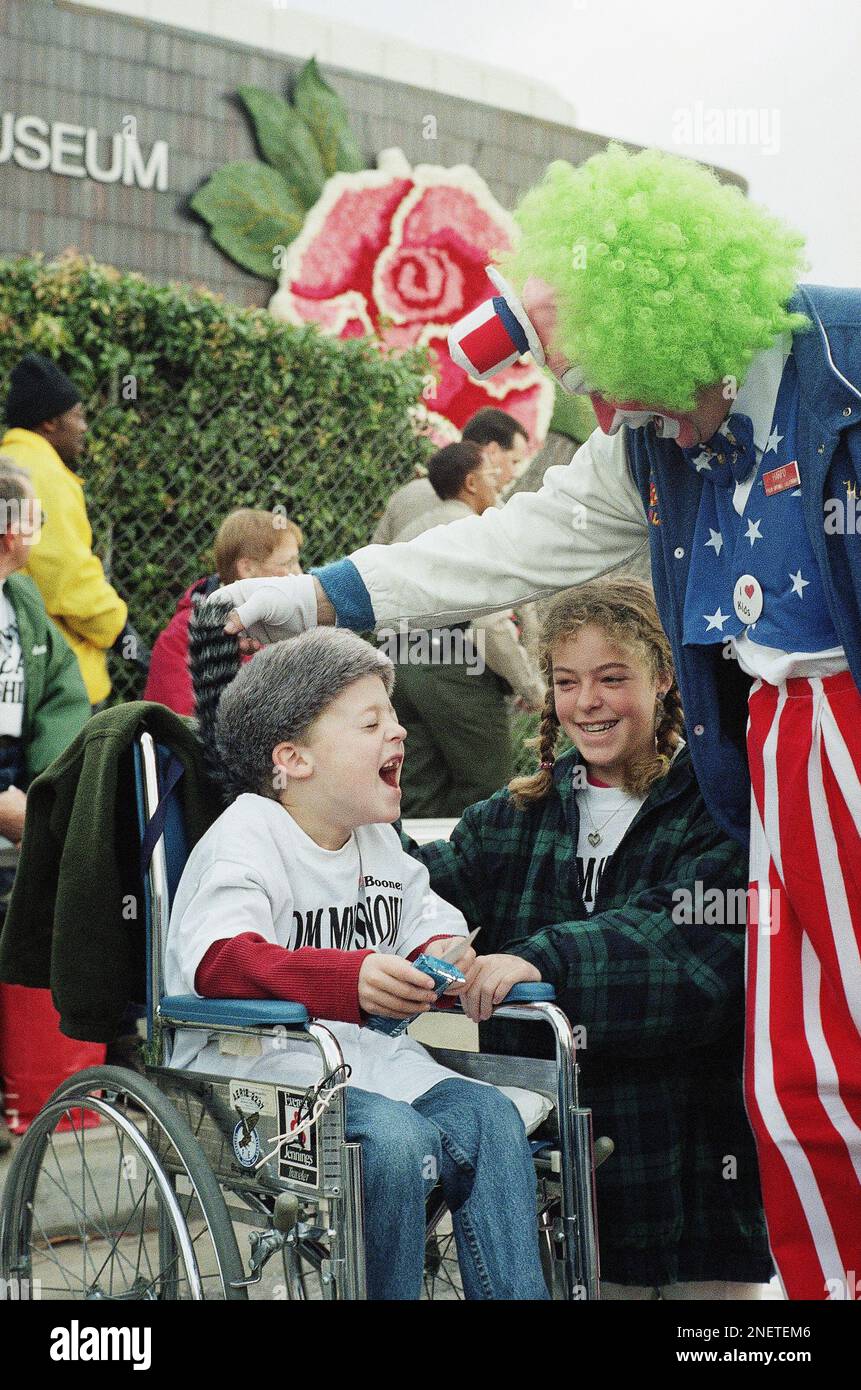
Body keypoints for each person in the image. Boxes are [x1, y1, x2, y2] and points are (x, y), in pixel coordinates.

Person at [211, 145, 861, 1299]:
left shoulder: (843, 359)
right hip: (778, 751)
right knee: (798, 1087)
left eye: (600, 370)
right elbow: (503, 547)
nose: (598, 407)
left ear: (667, 320)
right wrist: (321, 595)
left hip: (846, 736)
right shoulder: (649, 446)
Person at [164, 605, 549, 1300]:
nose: (398, 730)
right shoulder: (247, 838)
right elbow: (219, 961)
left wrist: (444, 958)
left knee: (489, 1118)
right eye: (370, 724)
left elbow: (429, 924)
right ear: (292, 759)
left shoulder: (375, 841)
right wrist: (351, 979)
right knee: (397, 1143)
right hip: (262, 1079)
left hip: (368, 1066)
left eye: (392, 718)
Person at [403, 579, 772, 1297]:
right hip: (564, 1176)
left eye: (611, 678)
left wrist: (535, 959)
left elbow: (685, 953)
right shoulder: (515, 816)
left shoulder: (721, 803)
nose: (587, 703)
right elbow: (414, 890)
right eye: (567, 682)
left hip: (696, 1168)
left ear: (664, 677)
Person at [0, 460, 90, 1151]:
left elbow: (62, 699)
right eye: (32, 518)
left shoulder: (23, 605)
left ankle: (30, 1095)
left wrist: (43, 798)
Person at [389, 441, 544, 816]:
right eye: (493, 476)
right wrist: (530, 685)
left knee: (416, 787)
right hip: (455, 667)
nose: (499, 485)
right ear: (472, 484)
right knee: (487, 787)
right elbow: (488, 626)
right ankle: (477, 869)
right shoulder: (475, 530)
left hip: (398, 662)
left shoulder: (414, 527)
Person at [0, 353, 132, 705]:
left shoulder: (11, 463)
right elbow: (67, 577)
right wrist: (118, 629)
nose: (84, 427)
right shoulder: (42, 475)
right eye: (78, 416)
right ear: (49, 423)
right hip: (60, 680)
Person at [144, 508, 303, 716]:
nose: (299, 573)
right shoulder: (184, 635)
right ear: (247, 568)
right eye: (288, 563)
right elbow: (185, 729)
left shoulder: (286, 619)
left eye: (297, 561)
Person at [371, 407, 529, 544]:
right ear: (492, 451)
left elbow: (373, 553)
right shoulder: (494, 518)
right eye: (514, 462)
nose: (515, 474)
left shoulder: (410, 492)